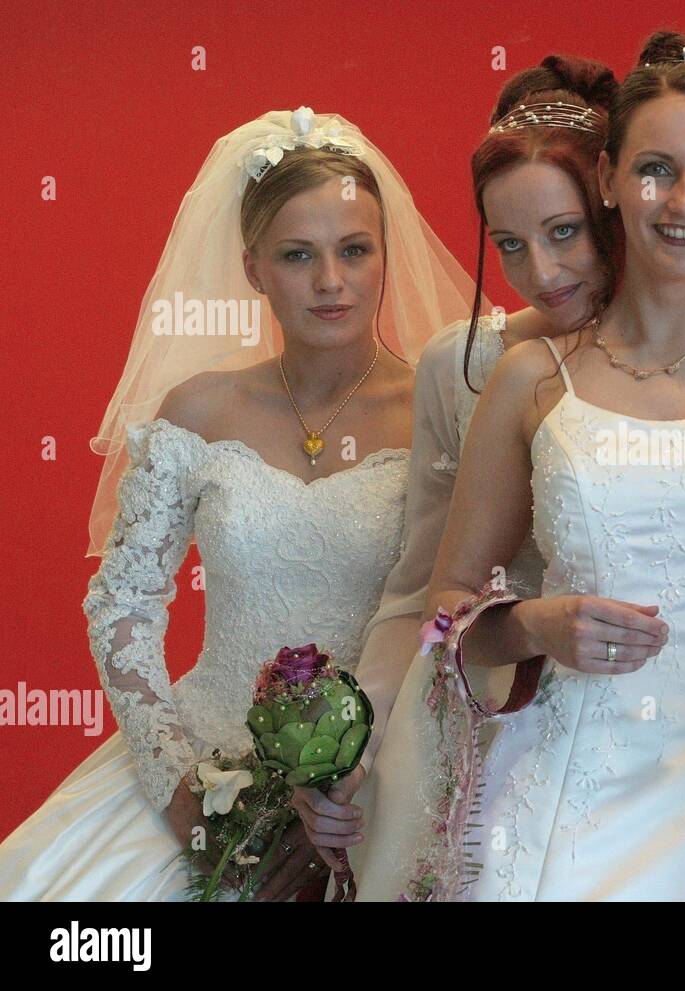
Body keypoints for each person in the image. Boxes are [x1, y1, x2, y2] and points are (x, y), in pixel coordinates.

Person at [0, 107, 475, 900]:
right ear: (253, 268)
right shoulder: (198, 409)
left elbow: (452, 609)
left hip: (381, 786)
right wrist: (184, 792)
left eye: (355, 249)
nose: (331, 280)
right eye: (298, 255)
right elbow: (122, 606)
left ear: (385, 255)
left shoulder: (440, 411)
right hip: (207, 767)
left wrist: (356, 779)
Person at [415, 31, 685, 901]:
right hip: (576, 801)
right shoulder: (530, 378)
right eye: (655, 170)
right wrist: (534, 624)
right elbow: (446, 611)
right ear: (607, 177)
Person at [291, 55, 623, 901]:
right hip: (490, 730)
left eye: (565, 231)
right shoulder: (463, 365)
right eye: (509, 244)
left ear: (617, 199)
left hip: (662, 733)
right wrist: (357, 746)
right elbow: (418, 597)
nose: (541, 273)